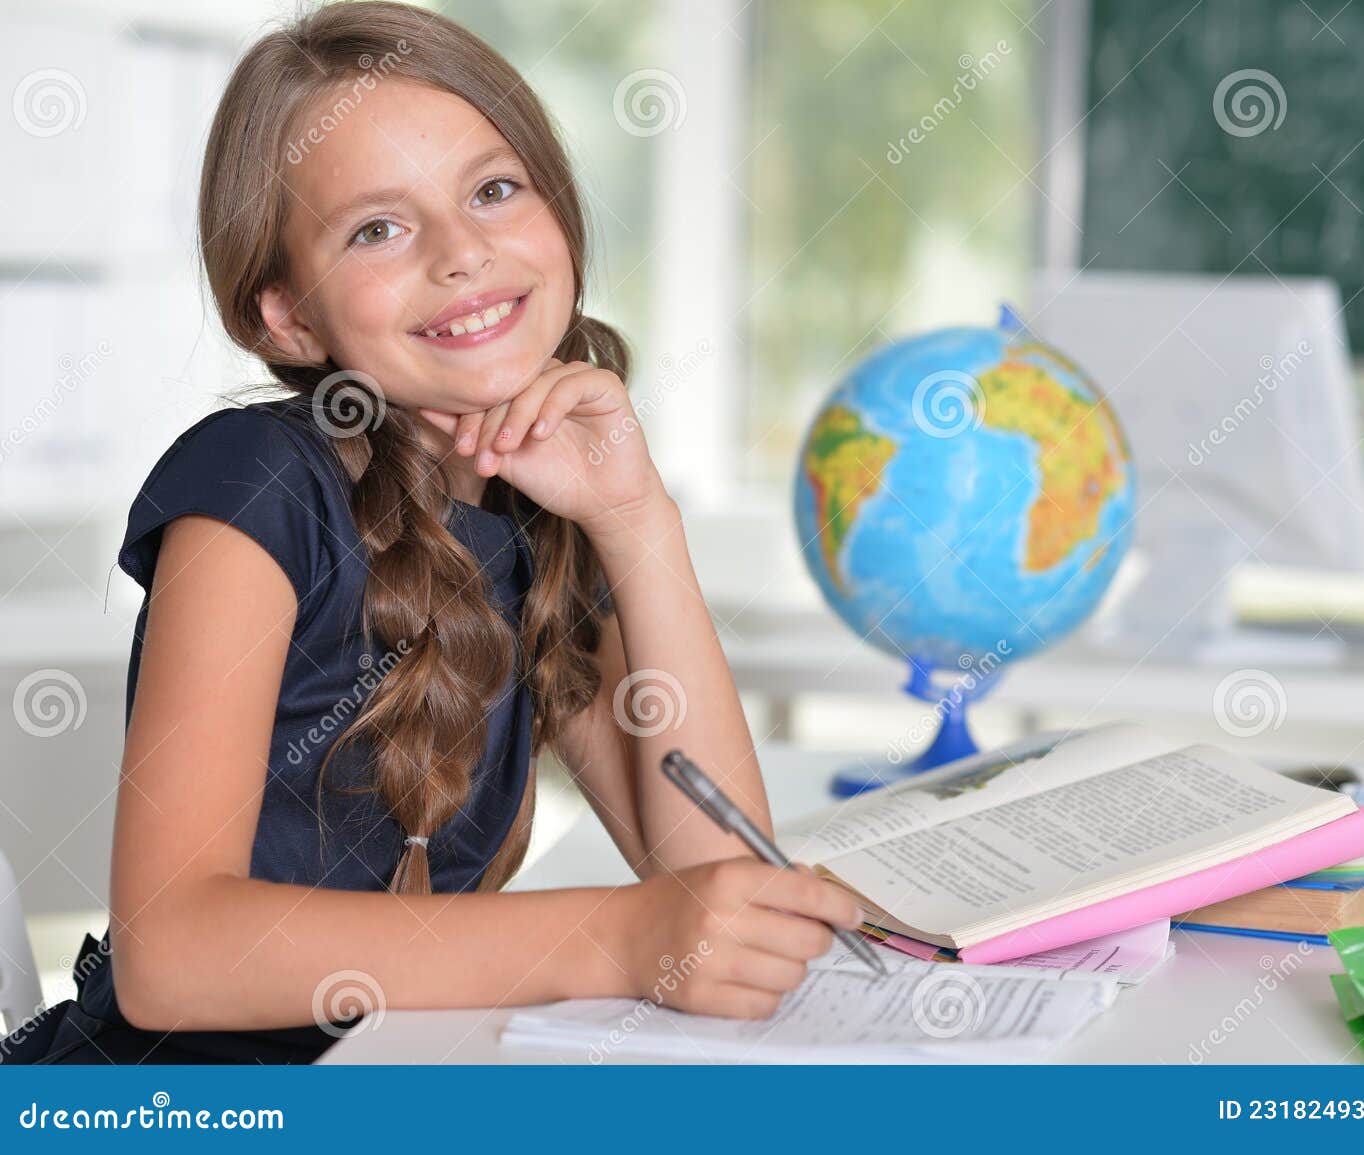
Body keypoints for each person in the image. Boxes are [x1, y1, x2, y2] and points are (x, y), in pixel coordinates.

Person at [4, 0, 860, 1065]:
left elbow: (706, 868)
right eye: (378, 228)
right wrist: (618, 938)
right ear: (289, 317)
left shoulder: (540, 507)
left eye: (494, 190)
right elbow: (169, 954)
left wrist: (639, 520)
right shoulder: (257, 487)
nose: (462, 253)